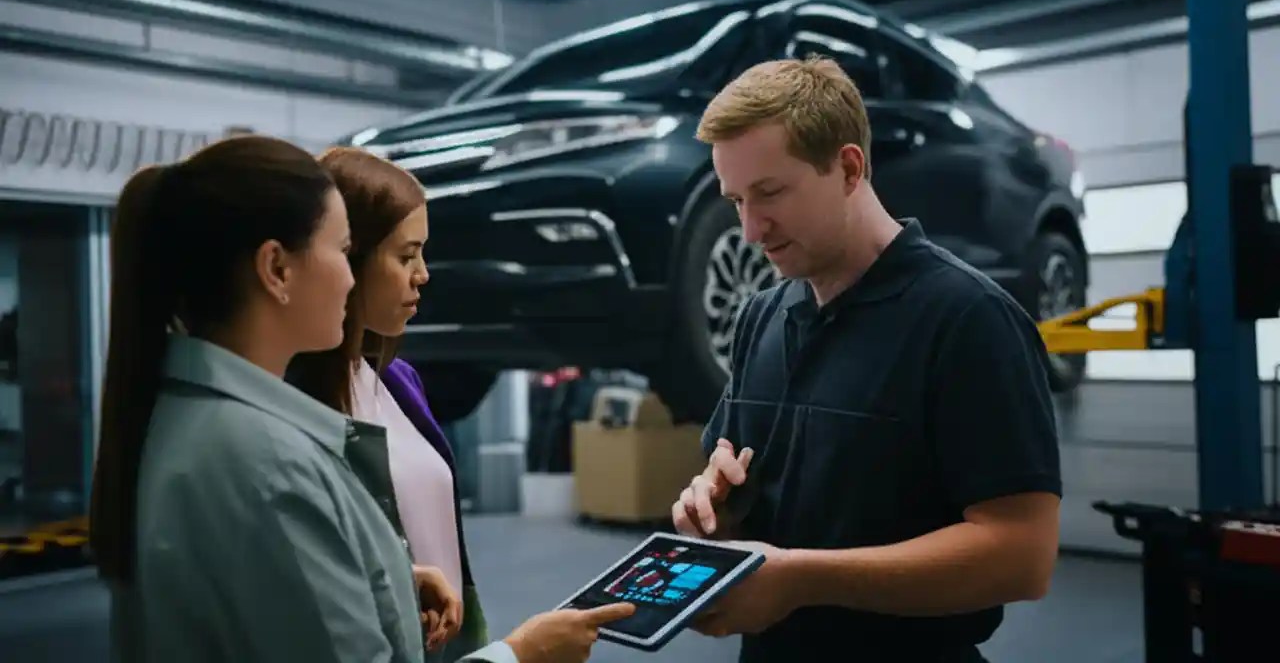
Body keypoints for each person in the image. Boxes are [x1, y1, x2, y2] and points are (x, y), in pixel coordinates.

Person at [90, 135, 632, 663]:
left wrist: (387, 580)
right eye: (345, 251)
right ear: (277, 268)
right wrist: (523, 655)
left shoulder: (186, 417)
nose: (351, 279)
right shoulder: (270, 463)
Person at [670, 56, 1062, 663]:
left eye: (770, 193)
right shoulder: (760, 319)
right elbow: (751, 494)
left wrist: (801, 579)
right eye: (736, 201)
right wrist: (716, 511)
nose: (750, 230)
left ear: (849, 168)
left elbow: (1021, 555)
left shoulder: (968, 320)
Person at [288, 146, 482, 661]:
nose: (423, 274)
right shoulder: (295, 405)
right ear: (348, 257)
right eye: (405, 256)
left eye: (422, 254)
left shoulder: (397, 381)